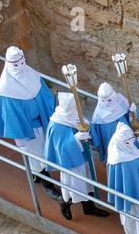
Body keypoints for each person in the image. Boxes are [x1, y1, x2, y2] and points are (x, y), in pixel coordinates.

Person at [0, 46, 58, 195]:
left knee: (45, 152)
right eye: (15, 65)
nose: (20, 68)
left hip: (42, 122)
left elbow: (45, 95)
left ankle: (39, 175)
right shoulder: (5, 91)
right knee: (36, 156)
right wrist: (20, 135)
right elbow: (9, 116)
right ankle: (48, 185)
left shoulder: (32, 75)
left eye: (21, 63)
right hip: (26, 129)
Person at [44, 92, 111, 221]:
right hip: (71, 162)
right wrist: (76, 139)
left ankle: (89, 207)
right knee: (74, 187)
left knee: (88, 182)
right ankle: (64, 203)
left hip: (84, 155)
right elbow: (60, 148)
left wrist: (88, 130)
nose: (76, 108)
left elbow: (85, 127)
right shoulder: (56, 124)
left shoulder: (75, 114)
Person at [88, 82, 134, 162]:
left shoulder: (122, 103)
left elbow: (132, 120)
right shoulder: (98, 116)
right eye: (103, 101)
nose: (106, 104)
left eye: (109, 100)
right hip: (110, 144)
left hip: (127, 140)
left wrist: (133, 111)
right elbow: (97, 139)